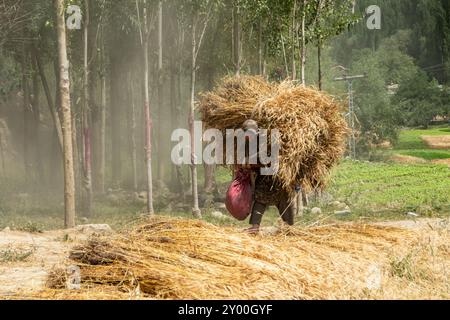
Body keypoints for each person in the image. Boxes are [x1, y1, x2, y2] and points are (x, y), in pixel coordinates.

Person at [241, 119, 296, 234]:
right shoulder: (247, 142)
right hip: (263, 176)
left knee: (283, 199)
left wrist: (251, 163)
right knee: (260, 199)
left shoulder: (267, 139)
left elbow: (271, 158)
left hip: (277, 175)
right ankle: (255, 227)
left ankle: (289, 226)